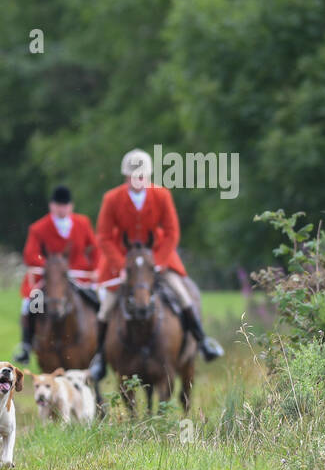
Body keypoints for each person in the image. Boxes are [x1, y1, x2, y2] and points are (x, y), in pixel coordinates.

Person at [88, 149, 225, 382]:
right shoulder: (112, 199)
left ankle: (203, 342)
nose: (137, 180)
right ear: (126, 176)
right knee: (105, 308)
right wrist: (121, 265)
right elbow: (103, 236)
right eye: (133, 175)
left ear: (148, 175)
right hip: (123, 262)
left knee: (183, 295)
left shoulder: (162, 195)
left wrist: (159, 262)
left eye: (141, 175)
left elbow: (172, 232)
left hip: (159, 259)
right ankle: (100, 357)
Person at [13, 186, 99, 364]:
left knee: (100, 302)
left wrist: (97, 268)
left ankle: (101, 348)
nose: (62, 209)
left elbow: (95, 248)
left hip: (78, 276)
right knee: (29, 304)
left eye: (65, 205)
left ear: (71, 207)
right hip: (47, 278)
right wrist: (50, 267)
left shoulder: (82, 222)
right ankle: (27, 346)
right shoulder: (38, 228)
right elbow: (30, 255)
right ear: (51, 206)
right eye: (58, 205)